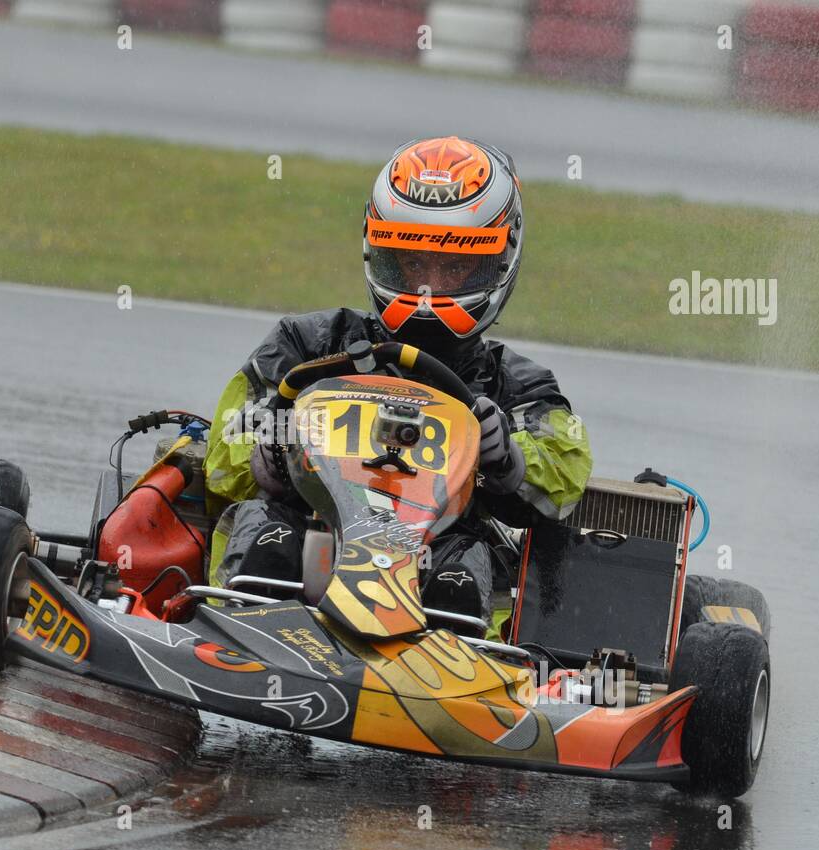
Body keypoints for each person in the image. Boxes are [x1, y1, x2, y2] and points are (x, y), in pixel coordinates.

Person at [203, 136, 592, 636]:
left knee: (460, 578)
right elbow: (226, 445)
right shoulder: (307, 345)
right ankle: (242, 630)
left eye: (454, 267)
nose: (430, 285)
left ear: (499, 261)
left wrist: (509, 460)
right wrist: (268, 452)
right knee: (268, 539)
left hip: (436, 560)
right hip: (309, 537)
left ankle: (451, 667)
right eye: (413, 263)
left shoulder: (516, 385)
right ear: (380, 251)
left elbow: (566, 474)